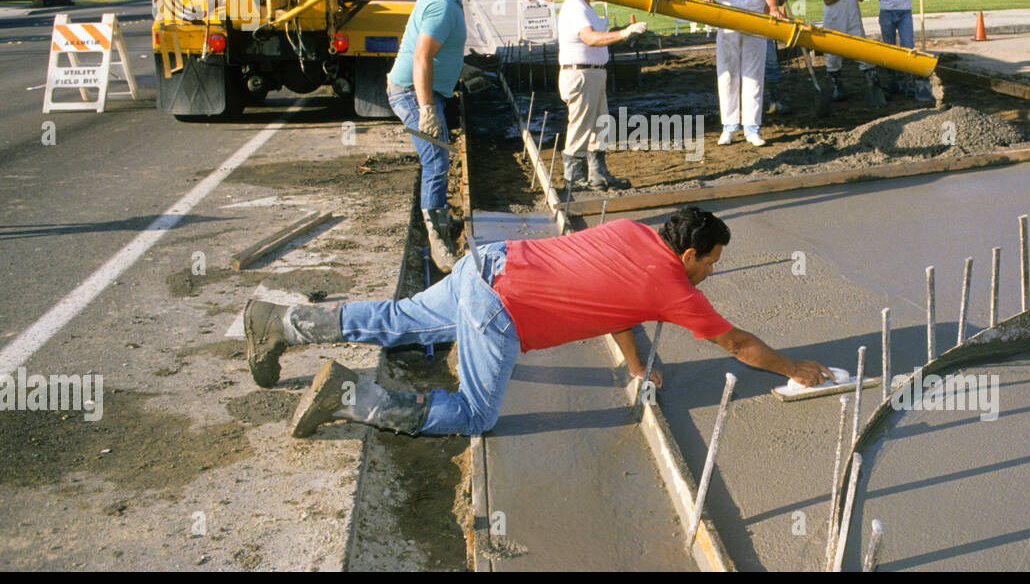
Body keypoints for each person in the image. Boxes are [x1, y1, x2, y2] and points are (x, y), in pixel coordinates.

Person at [241, 206, 833, 438]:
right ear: (688, 256)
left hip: (487, 265)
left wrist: (634, 365)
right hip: (500, 310)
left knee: (400, 319)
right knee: (477, 414)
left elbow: (617, 306)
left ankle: (282, 321)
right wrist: (793, 366)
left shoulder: (632, 233)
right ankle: (348, 394)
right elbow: (738, 344)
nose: (711, 273)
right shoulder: (675, 289)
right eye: (711, 263)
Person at [387, 0, 475, 271]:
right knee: (437, 160)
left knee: (438, 158)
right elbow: (422, 57)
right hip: (412, 91)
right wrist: (425, 109)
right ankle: (436, 242)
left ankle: (440, 220)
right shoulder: (441, 4)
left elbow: (436, 51)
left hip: (424, 89)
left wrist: (461, 69)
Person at [556, 0, 647, 192]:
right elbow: (590, 38)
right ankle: (573, 179)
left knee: (599, 126)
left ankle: (598, 174)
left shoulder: (585, 7)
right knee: (581, 126)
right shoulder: (575, 7)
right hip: (581, 75)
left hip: (592, 73)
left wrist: (621, 34)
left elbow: (595, 38)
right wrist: (623, 34)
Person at [704, 0, 779, 146]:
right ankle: (728, 127)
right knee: (727, 76)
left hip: (755, 29)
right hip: (729, 30)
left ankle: (752, 128)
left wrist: (773, 8)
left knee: (753, 78)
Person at [863, 0, 933, 100]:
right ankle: (892, 83)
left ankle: (910, 83)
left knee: (908, 46)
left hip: (905, 12)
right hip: (886, 11)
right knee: (890, 48)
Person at [817, 0, 871, 101]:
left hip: (853, 17)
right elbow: (827, 0)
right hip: (833, 20)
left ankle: (871, 85)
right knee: (833, 56)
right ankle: (837, 86)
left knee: (863, 52)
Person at [756, 0, 789, 115]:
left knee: (771, 66)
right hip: (746, 30)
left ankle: (775, 101)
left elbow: (775, 7)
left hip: (766, 30)